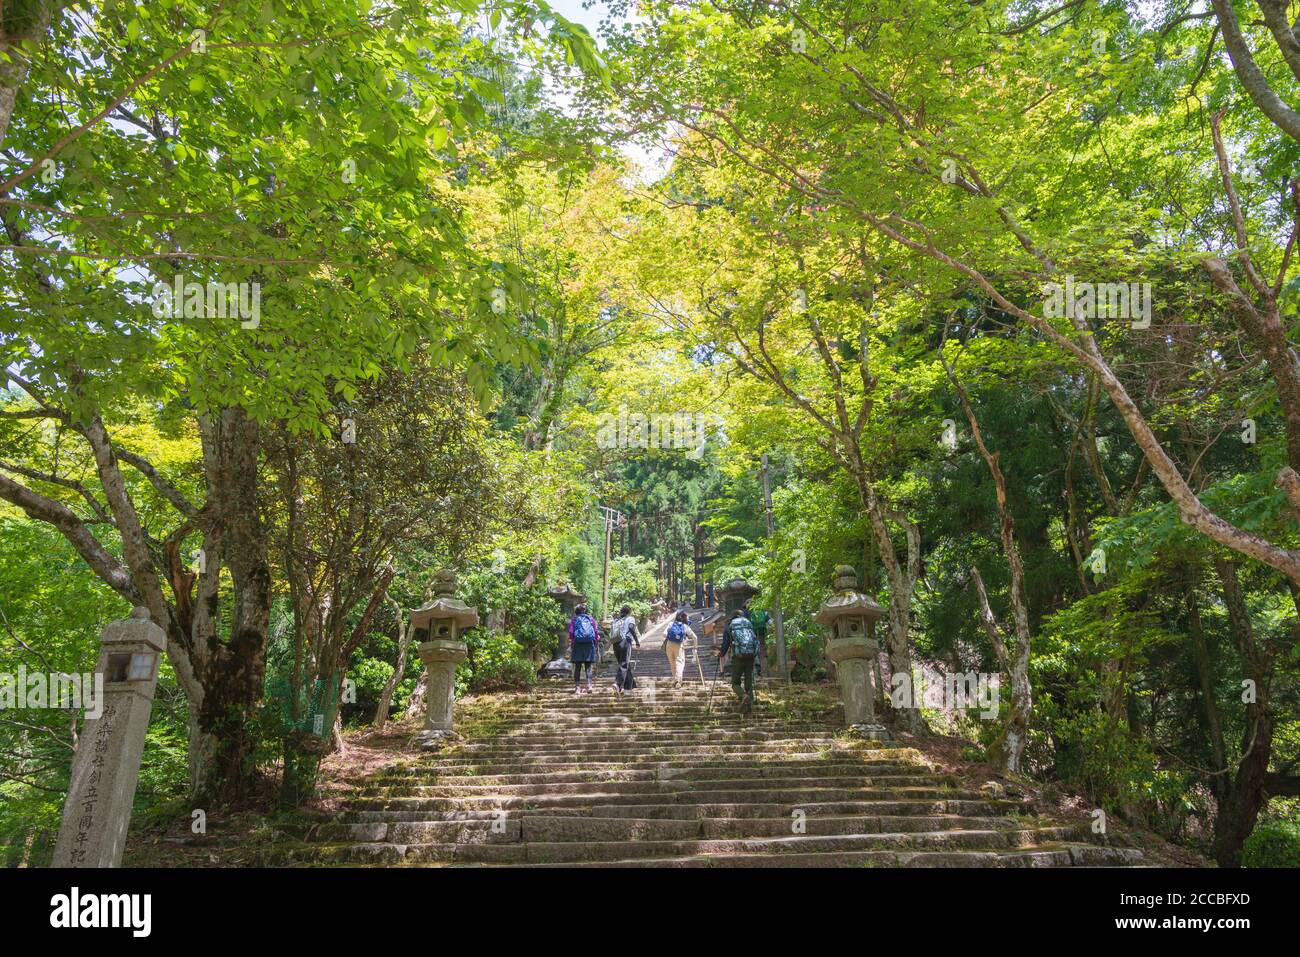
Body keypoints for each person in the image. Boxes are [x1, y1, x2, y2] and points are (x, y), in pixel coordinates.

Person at [718, 608, 759, 715]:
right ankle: (749, 707)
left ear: (733, 616)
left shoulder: (730, 625)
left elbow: (726, 642)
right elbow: (755, 639)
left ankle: (743, 695)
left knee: (735, 683)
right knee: (749, 683)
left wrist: (721, 653)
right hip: (751, 656)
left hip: (738, 656)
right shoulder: (749, 624)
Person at [569, 604, 600, 695]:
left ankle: (577, 688)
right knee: (588, 667)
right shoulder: (591, 619)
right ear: (585, 611)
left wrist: (573, 639)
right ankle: (589, 686)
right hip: (589, 645)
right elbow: (596, 632)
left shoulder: (574, 620)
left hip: (577, 645)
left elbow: (571, 633)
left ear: (576, 611)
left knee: (577, 667)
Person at [664, 610, 699, 689]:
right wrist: (695, 648)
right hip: (679, 645)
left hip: (668, 644)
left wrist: (671, 637)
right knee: (680, 662)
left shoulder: (671, 623)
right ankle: (678, 680)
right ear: (684, 618)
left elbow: (664, 634)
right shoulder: (685, 626)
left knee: (672, 663)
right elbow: (695, 637)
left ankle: (675, 681)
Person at [611, 604, 641, 694]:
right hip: (625, 642)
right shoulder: (630, 618)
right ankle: (617, 683)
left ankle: (628, 688)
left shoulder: (618, 620)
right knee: (624, 664)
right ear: (629, 612)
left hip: (615, 644)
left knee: (625, 665)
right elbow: (631, 628)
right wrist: (637, 641)